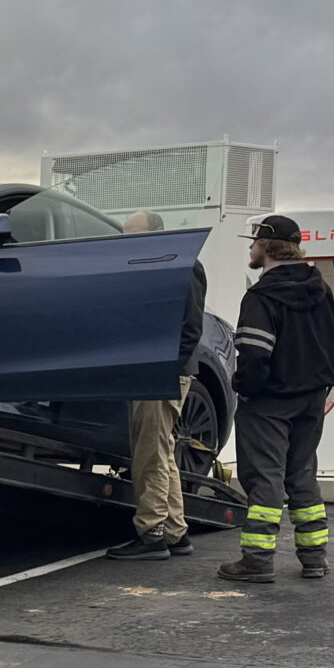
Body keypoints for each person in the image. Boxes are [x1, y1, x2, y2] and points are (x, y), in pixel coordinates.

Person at [218, 214, 334, 583]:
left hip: (269, 401)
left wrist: (244, 386)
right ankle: (314, 558)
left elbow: (255, 355)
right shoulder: (320, 289)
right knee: (302, 474)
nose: (251, 250)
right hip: (311, 399)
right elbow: (333, 346)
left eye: (254, 243)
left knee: (265, 477)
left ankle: (257, 560)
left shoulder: (261, 296)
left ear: (266, 247)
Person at [105, 210, 207, 560]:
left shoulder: (184, 265)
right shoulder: (151, 265)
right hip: (152, 371)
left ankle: (151, 533)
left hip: (162, 373)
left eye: (131, 234)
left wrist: (163, 368)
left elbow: (191, 327)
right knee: (160, 451)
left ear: (156, 234)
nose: (125, 240)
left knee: (149, 453)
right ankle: (175, 532)